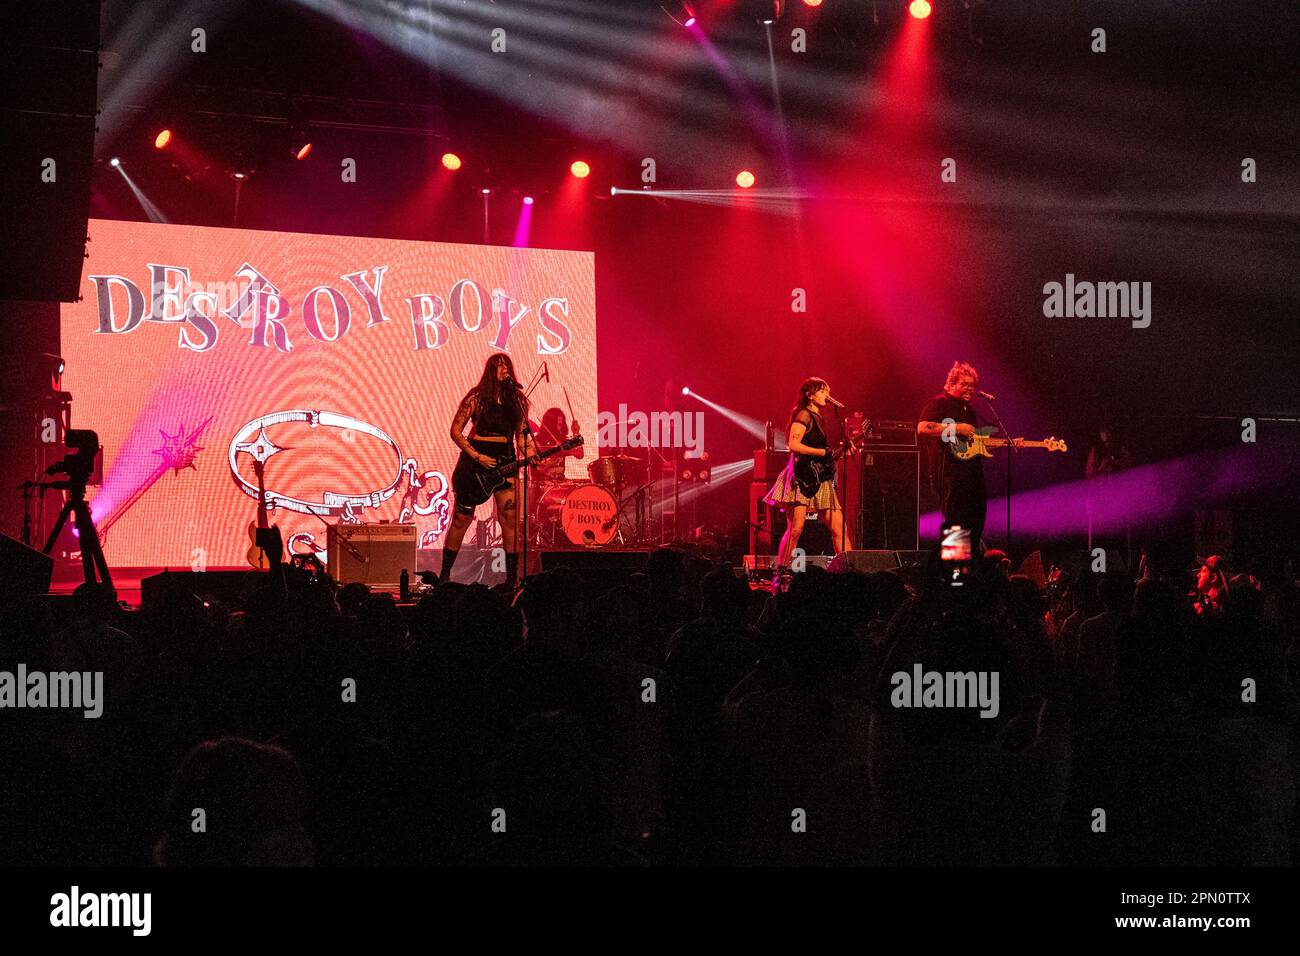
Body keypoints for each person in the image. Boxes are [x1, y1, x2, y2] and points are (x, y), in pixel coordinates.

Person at [442, 353, 535, 587]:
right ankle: (444, 576)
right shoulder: (477, 398)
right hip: (475, 462)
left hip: (505, 461)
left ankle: (511, 579)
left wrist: (531, 454)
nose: (504, 369)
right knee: (462, 518)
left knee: (510, 517)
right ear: (491, 370)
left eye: (507, 365)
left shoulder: (518, 402)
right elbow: (456, 430)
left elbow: (522, 438)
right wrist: (477, 456)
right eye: (499, 366)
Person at [763, 377, 852, 591]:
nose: (827, 395)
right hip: (801, 477)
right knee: (796, 528)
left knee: (839, 527)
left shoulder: (820, 417)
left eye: (828, 391)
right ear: (810, 395)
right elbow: (793, 444)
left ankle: (850, 572)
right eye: (823, 391)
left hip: (819, 478)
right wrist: (822, 452)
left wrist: (839, 452)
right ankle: (781, 574)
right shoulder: (803, 414)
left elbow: (824, 456)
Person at [917, 361, 989, 549]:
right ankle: (954, 571)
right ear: (951, 384)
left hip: (972, 475)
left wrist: (1009, 443)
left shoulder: (969, 410)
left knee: (975, 521)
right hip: (949, 473)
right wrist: (957, 428)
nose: (970, 389)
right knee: (956, 523)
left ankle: (970, 566)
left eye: (972, 385)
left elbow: (972, 443)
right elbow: (923, 427)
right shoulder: (940, 403)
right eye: (964, 384)